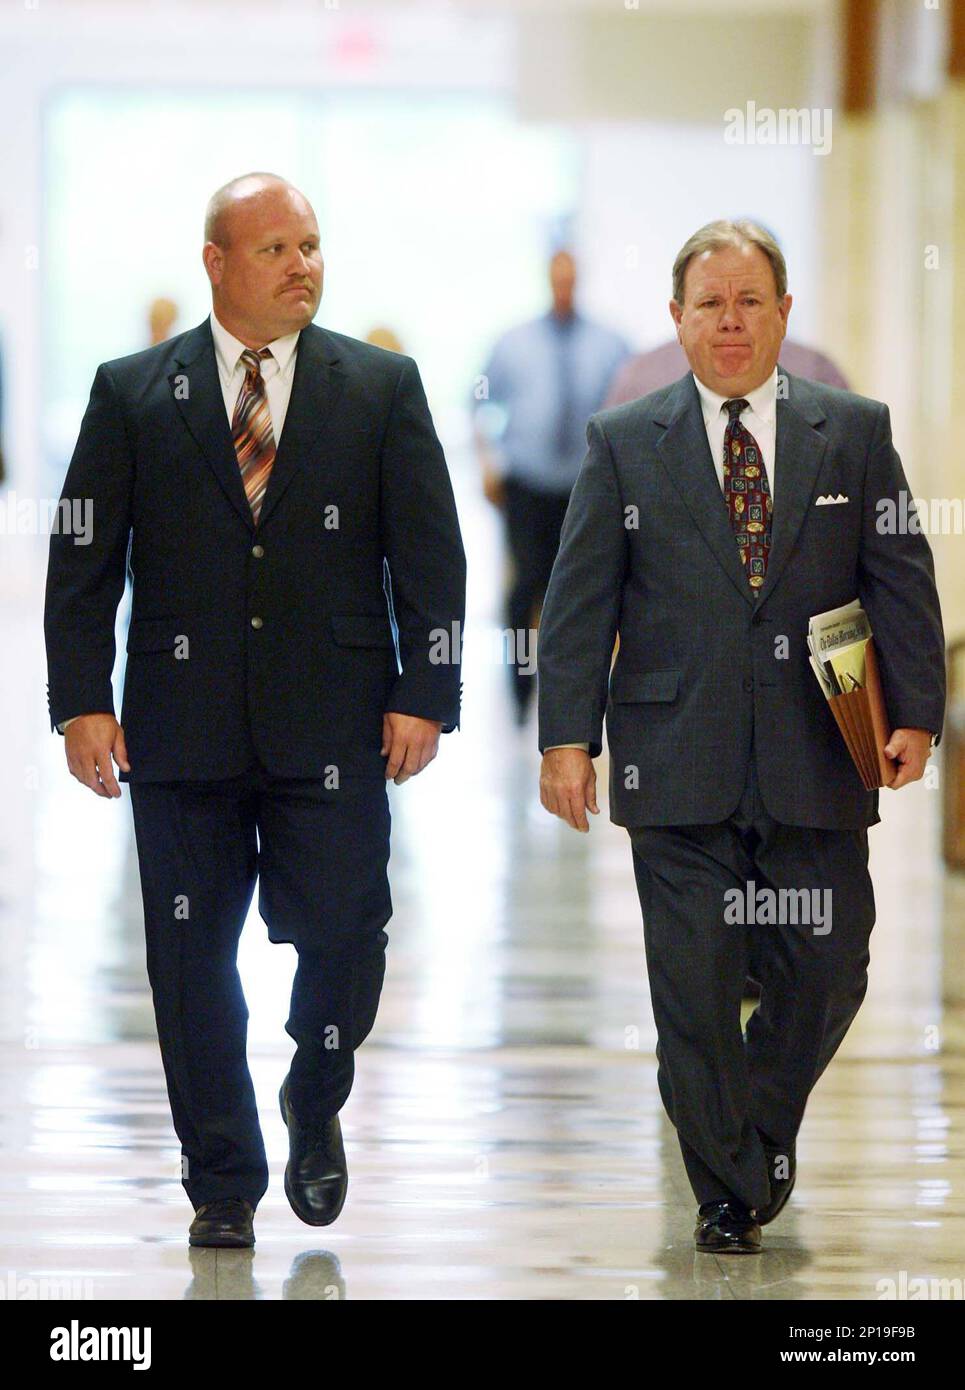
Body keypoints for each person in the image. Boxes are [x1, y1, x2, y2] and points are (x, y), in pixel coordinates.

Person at [44, 172, 466, 1250]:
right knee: (189, 961)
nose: (301, 265)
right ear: (216, 263)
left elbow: (429, 558)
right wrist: (80, 703)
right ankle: (221, 1178)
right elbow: (84, 559)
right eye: (275, 247)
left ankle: (314, 1092)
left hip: (335, 726)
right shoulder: (134, 393)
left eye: (312, 244)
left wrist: (426, 692)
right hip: (180, 732)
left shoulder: (379, 387)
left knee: (345, 932)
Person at [537, 219, 945, 1254]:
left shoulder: (849, 431)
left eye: (748, 300)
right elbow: (581, 598)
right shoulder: (625, 441)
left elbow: (898, 576)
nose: (728, 321)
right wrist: (564, 738)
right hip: (673, 754)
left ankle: (748, 1130)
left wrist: (915, 714)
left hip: (817, 745)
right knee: (692, 981)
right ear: (675, 318)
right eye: (708, 303)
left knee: (826, 963)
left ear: (782, 312)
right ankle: (725, 1191)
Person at [474, 250, 629, 724]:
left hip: (586, 490)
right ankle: (520, 697)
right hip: (526, 487)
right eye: (556, 278)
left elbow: (633, 412)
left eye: (571, 279)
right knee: (524, 591)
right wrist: (487, 463)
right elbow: (478, 400)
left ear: (578, 280)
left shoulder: (610, 345)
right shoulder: (513, 343)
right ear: (548, 280)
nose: (564, 286)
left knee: (586, 594)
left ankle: (580, 701)